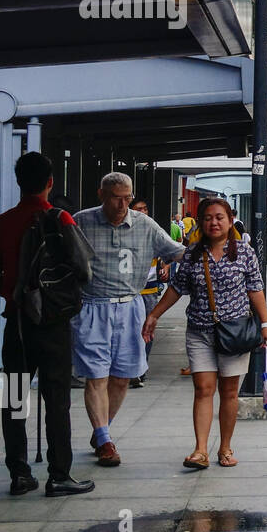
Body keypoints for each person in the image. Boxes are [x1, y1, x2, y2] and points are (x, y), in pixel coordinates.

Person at [0, 153, 95, 497]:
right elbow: (84, 271)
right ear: (50, 183)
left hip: (16, 322)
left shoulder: (1, 223)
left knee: (14, 398)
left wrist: (14, 293)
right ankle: (59, 474)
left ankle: (19, 473)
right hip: (54, 323)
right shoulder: (61, 219)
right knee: (57, 399)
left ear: (18, 182)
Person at [143, 197, 267, 468]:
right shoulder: (192, 254)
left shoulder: (244, 252)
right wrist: (154, 315)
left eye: (219, 217)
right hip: (200, 331)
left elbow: (255, 290)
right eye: (208, 218)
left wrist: (266, 325)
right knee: (203, 389)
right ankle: (200, 450)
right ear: (201, 223)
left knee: (228, 392)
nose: (214, 222)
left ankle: (225, 448)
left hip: (235, 333)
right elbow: (177, 289)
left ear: (229, 220)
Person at [72, 173, 186, 466]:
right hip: (92, 307)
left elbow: (176, 252)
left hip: (131, 307)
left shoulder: (145, 225)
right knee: (96, 376)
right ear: (102, 194)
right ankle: (106, 439)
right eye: (116, 197)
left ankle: (101, 432)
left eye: (127, 198)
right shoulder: (81, 222)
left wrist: (215, 250)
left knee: (122, 377)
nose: (123, 204)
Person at [129, 198, 168, 388]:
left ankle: (141, 369)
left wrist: (166, 264)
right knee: (130, 330)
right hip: (129, 291)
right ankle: (131, 368)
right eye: (138, 209)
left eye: (145, 208)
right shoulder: (125, 231)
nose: (143, 212)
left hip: (150, 290)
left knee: (148, 328)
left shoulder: (153, 230)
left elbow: (168, 250)